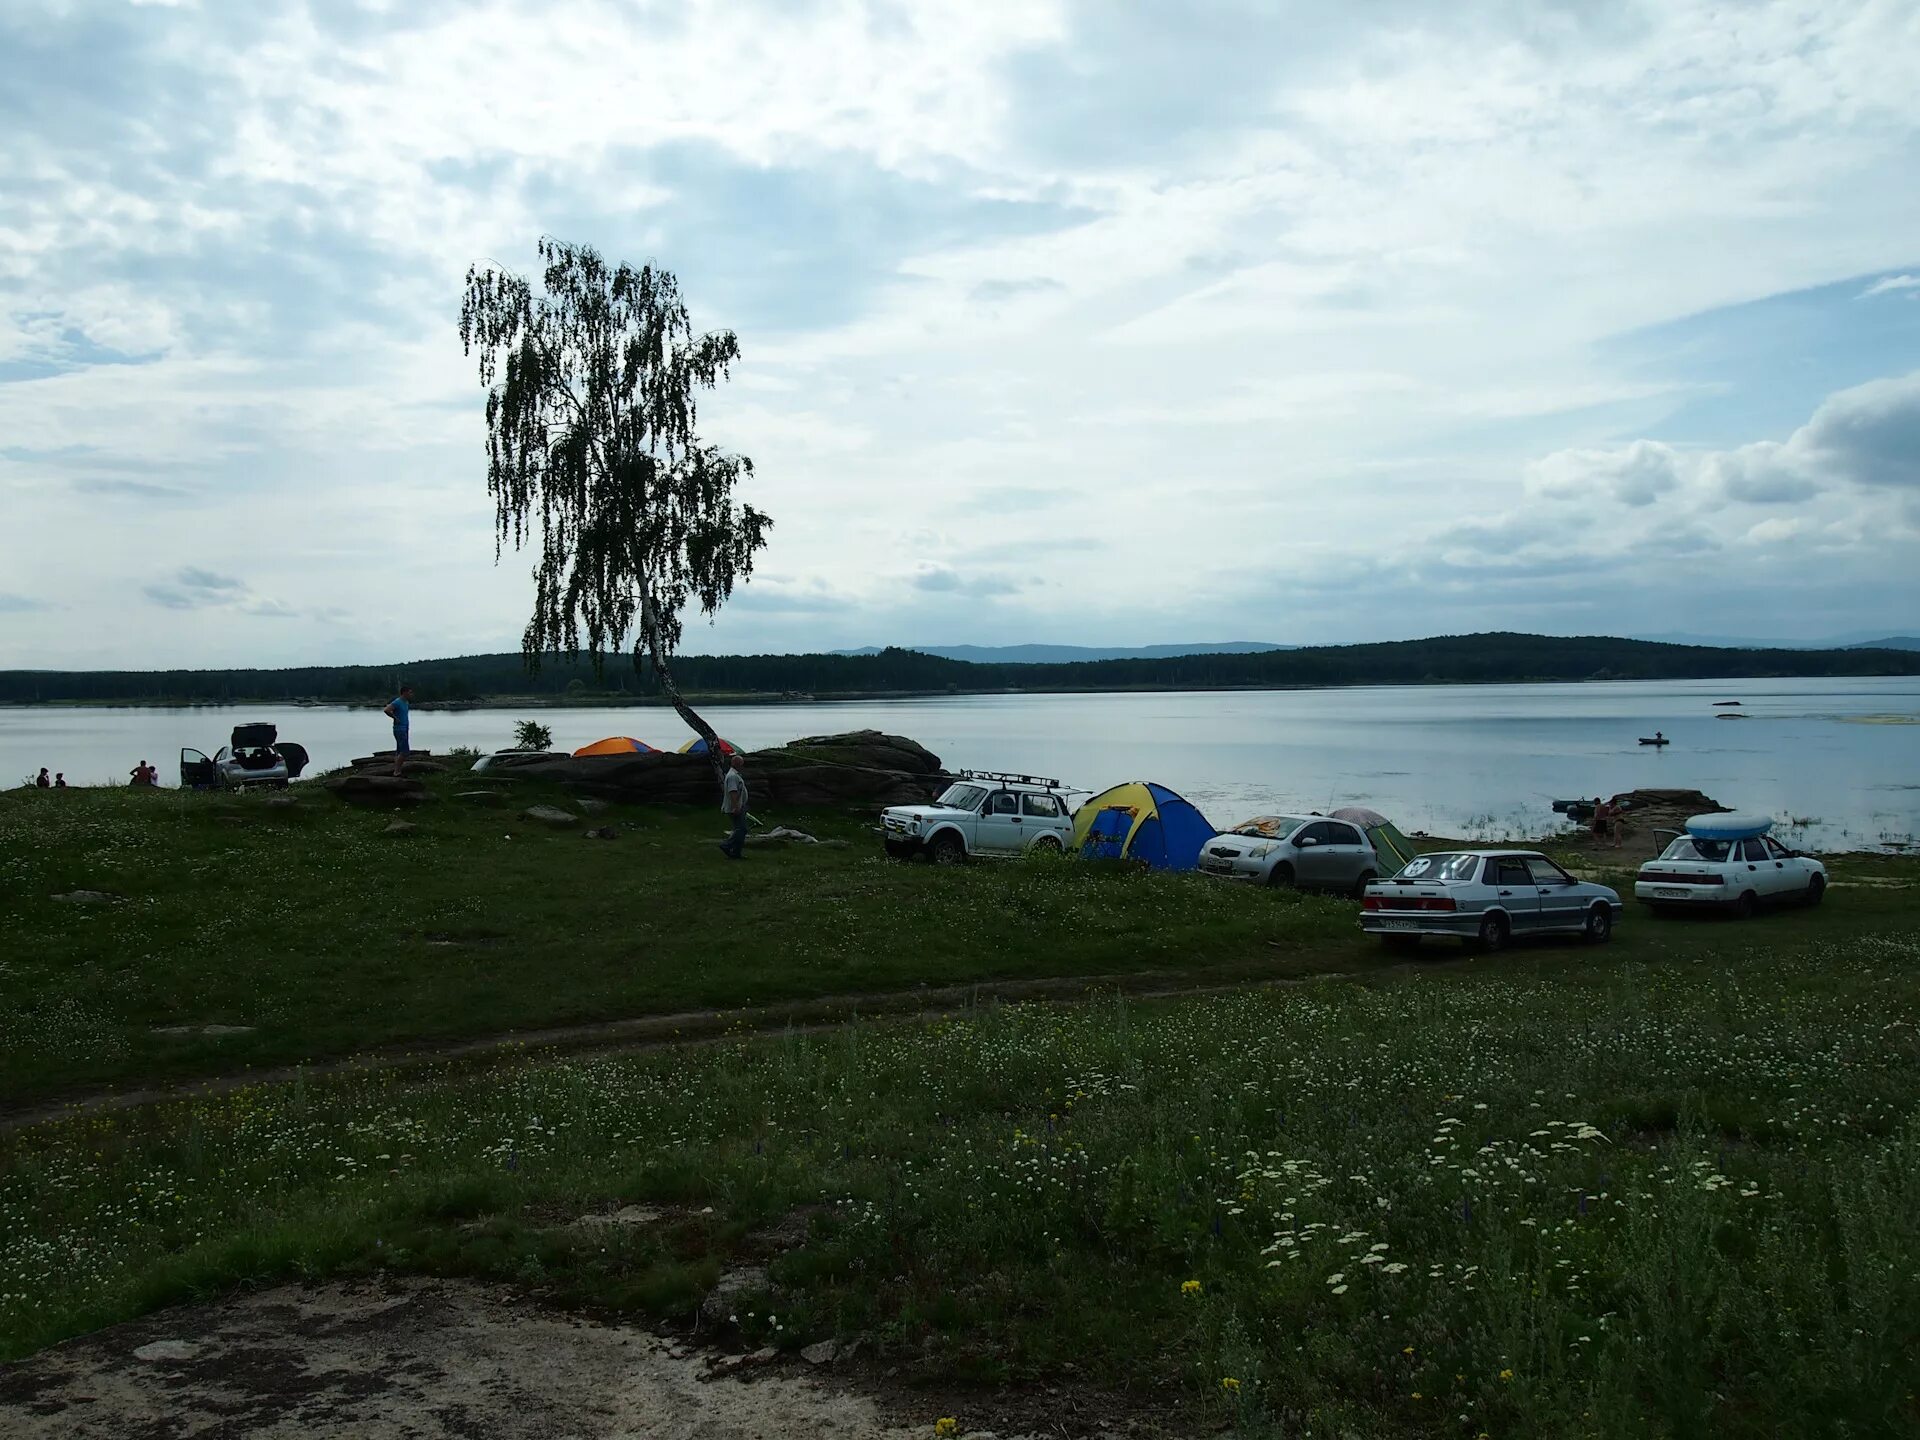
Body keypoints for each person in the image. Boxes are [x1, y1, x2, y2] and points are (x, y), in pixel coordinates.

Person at [718, 751, 749, 859]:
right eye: (741, 764)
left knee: (740, 829)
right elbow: (733, 792)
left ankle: (736, 853)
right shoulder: (732, 776)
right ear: (736, 764)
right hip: (735, 808)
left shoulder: (735, 775)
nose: (742, 766)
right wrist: (736, 806)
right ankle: (726, 845)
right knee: (741, 829)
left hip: (739, 806)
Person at [384, 684, 414, 778]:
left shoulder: (406, 702)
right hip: (399, 729)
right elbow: (387, 710)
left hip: (404, 728)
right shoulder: (397, 702)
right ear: (404, 693)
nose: (411, 694)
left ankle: (397, 771)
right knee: (405, 752)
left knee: (399, 751)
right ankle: (396, 772)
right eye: (410, 692)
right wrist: (395, 718)